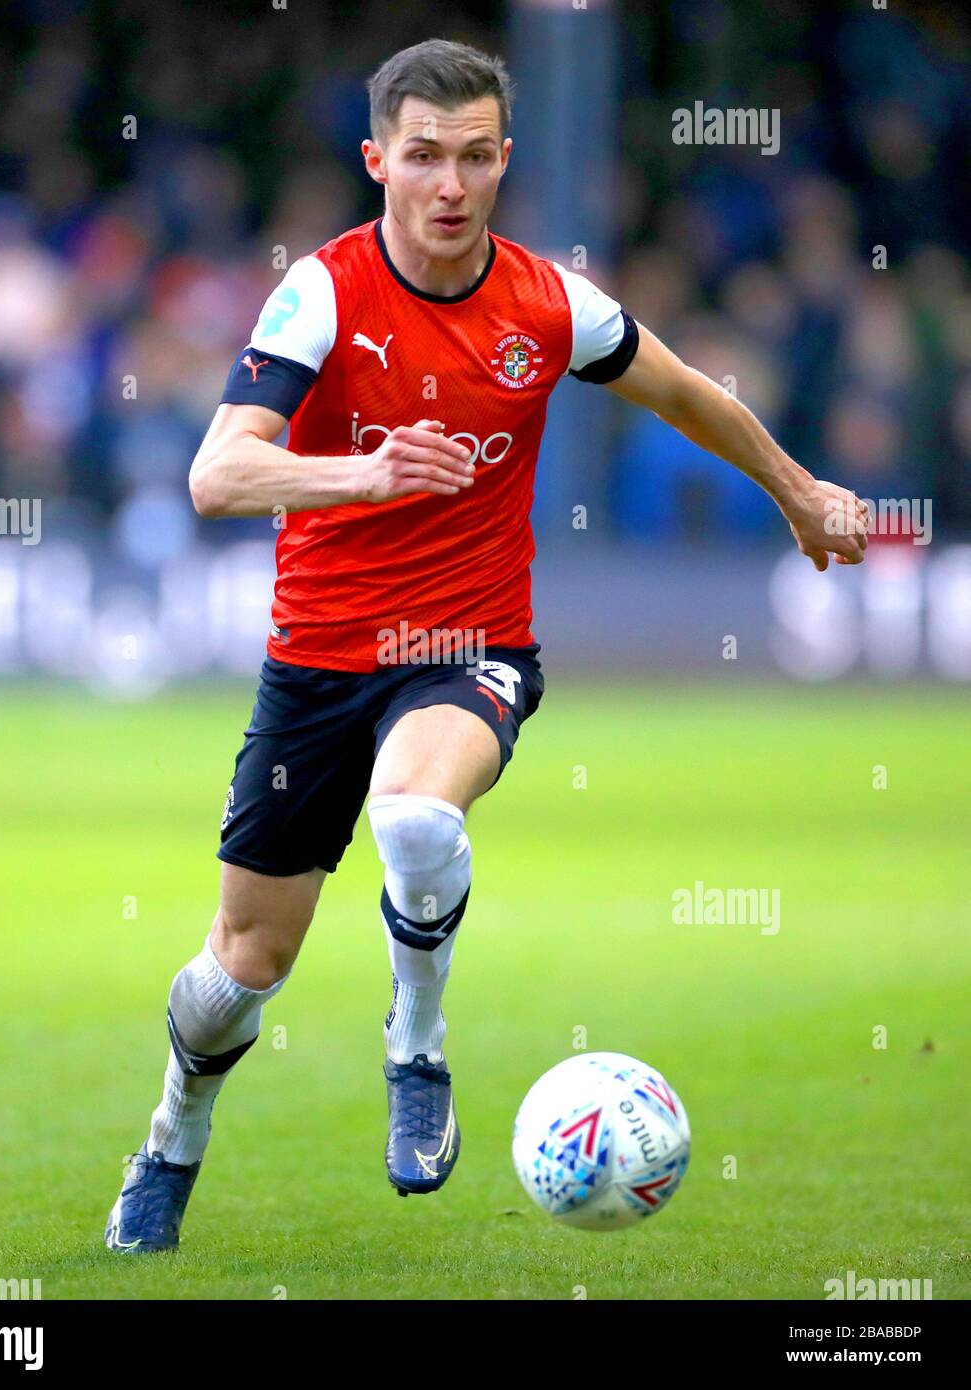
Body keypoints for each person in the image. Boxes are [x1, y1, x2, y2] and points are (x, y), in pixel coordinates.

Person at [105, 38, 867, 1253]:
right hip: (316, 660)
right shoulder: (323, 293)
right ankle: (168, 1142)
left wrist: (792, 488)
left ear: (504, 160)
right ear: (377, 162)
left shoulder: (549, 302)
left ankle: (417, 1046)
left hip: (468, 643)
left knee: (416, 817)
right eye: (421, 157)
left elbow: (680, 390)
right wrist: (365, 470)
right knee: (233, 976)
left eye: (473, 157)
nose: (448, 184)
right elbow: (215, 473)